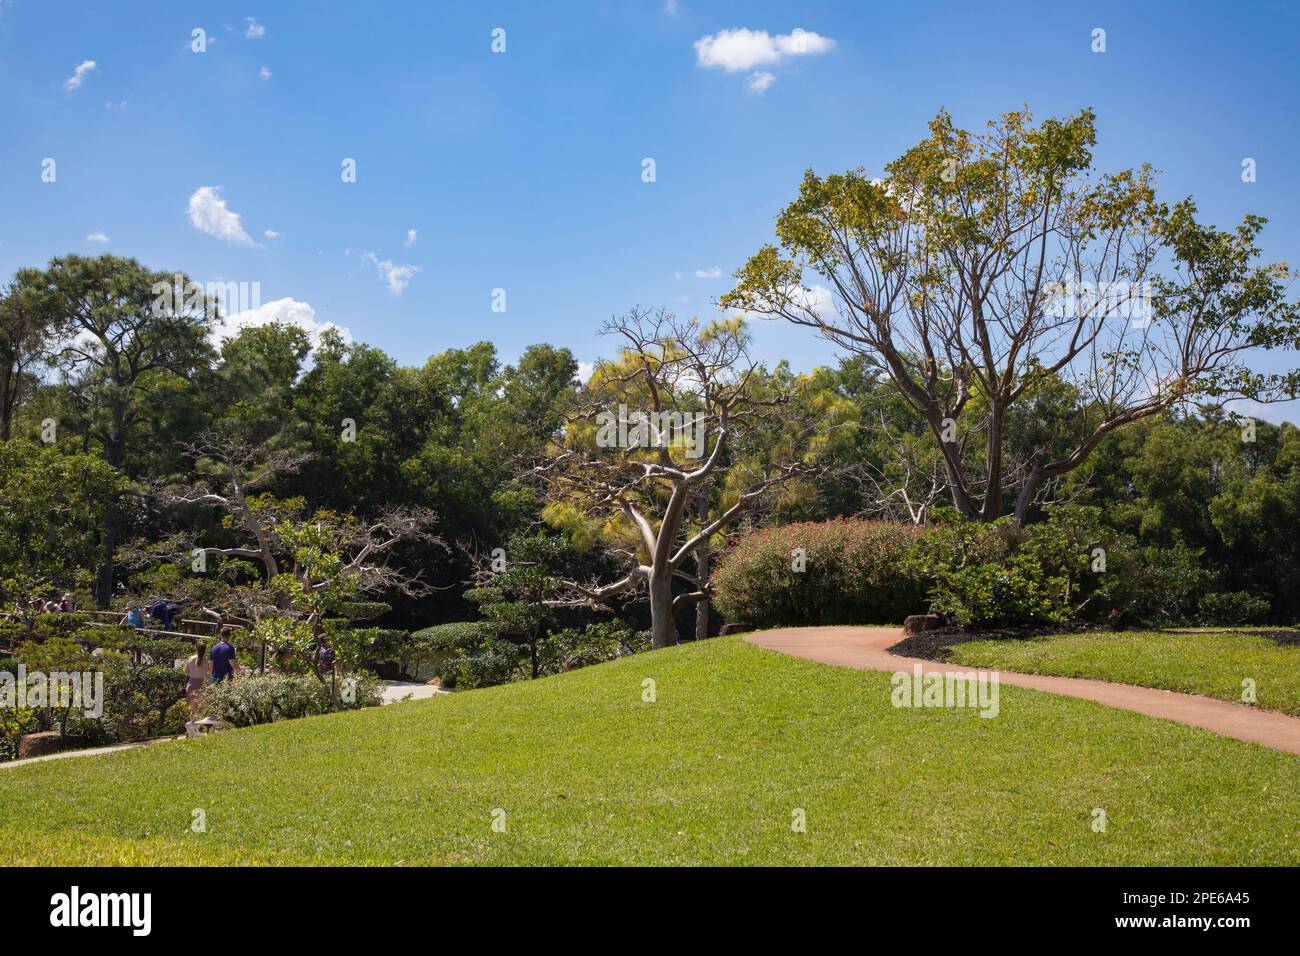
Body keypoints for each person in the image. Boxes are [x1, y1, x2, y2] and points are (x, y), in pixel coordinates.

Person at [183, 640, 212, 730]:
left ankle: (192, 727)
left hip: (191, 684)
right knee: (201, 709)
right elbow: (209, 673)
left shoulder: (191, 659)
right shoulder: (206, 661)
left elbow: (186, 672)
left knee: (193, 709)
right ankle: (198, 728)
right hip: (201, 684)